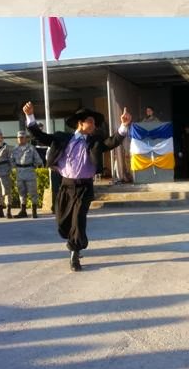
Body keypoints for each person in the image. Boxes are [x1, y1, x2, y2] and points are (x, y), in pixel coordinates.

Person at [23, 102, 131, 271]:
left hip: (85, 188)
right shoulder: (63, 138)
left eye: (95, 123)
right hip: (66, 186)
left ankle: (75, 254)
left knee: (78, 220)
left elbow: (112, 142)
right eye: (91, 122)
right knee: (62, 222)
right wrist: (30, 116)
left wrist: (124, 125)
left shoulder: (95, 141)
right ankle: (72, 240)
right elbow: (40, 136)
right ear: (81, 123)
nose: (94, 125)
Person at [10, 130, 44, 218]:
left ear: (26, 139)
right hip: (19, 172)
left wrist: (33, 166)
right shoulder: (14, 149)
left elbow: (38, 160)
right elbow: (11, 160)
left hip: (29, 172)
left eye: (22, 137)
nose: (20, 139)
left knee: (33, 192)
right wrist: (15, 167)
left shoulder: (31, 148)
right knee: (21, 192)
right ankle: (23, 211)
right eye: (19, 138)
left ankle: (34, 211)